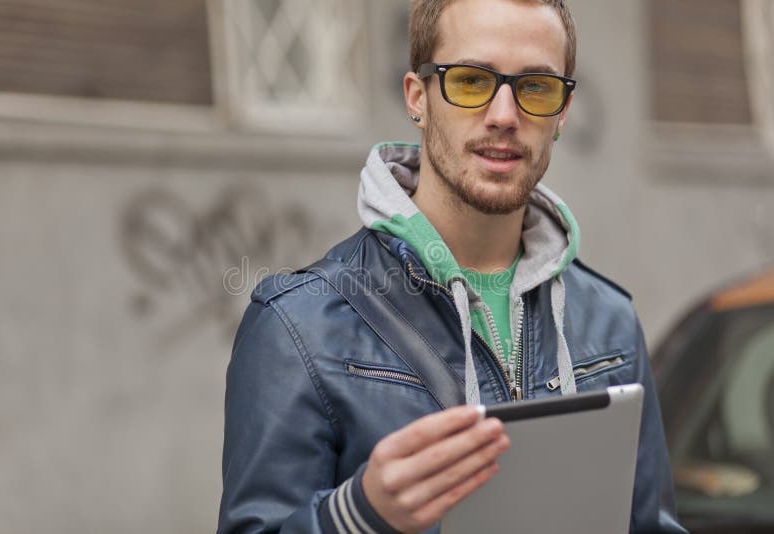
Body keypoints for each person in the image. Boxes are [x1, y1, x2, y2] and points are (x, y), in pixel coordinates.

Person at [218, 0, 686, 532]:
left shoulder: (611, 322)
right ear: (418, 98)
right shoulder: (297, 326)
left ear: (561, 113)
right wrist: (356, 517)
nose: (505, 115)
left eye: (535, 87)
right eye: (470, 81)